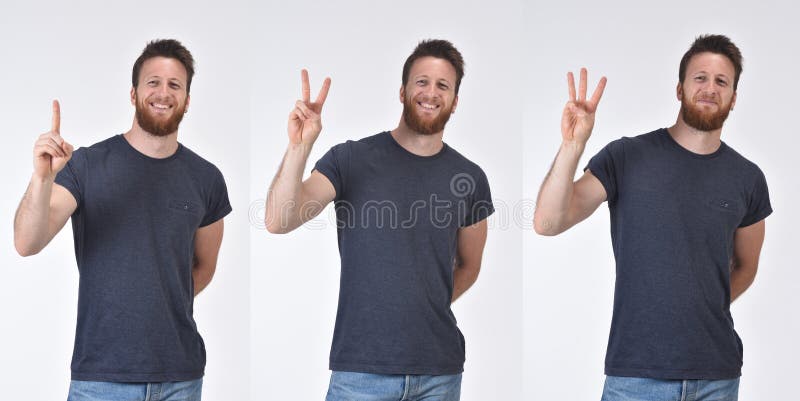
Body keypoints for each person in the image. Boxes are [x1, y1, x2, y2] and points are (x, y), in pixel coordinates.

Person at [533, 34, 771, 401]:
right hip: (635, 378)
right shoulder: (626, 157)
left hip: (717, 378)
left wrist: (698, 305)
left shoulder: (748, 178)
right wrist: (572, 146)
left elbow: (746, 266)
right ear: (679, 89)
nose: (710, 88)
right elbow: (548, 222)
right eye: (700, 78)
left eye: (721, 81)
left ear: (734, 98)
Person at [265, 39, 494, 401]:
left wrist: (421, 305)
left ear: (454, 100)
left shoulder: (470, 177)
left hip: (439, 373)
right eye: (422, 82)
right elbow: (279, 220)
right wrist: (299, 146)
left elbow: (469, 265)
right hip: (360, 375)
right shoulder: (350, 159)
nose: (431, 93)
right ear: (402, 91)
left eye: (442, 85)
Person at [13, 39, 231, 401]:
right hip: (101, 379)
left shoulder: (207, 179)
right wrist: (41, 179)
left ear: (188, 100)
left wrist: (157, 302)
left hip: (181, 378)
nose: (163, 93)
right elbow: (26, 242)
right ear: (133, 94)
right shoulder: (86, 166)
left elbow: (204, 266)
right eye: (153, 82)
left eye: (174, 85)